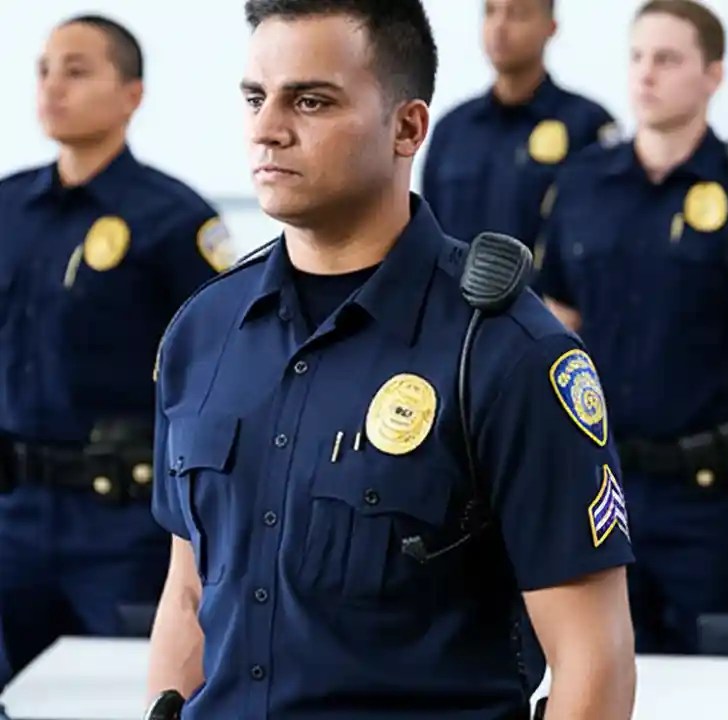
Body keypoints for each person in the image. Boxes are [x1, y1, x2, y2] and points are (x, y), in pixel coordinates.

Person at [144, 1, 636, 718]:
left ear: (407, 126)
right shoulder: (203, 331)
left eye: (310, 100)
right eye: (256, 97)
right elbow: (188, 589)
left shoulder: (504, 352)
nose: (266, 128)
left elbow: (596, 662)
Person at [536, 0, 728, 655]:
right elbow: (551, 343)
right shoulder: (581, 185)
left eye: (667, 59)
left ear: (712, 75)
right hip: (598, 490)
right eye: (637, 57)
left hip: (712, 502)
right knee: (590, 674)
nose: (645, 74)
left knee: (708, 686)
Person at [0, 15, 231, 690]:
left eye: (77, 70)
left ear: (131, 94)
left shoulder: (174, 220)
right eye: (44, 69)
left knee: (129, 694)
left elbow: (225, 372)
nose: (52, 86)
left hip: (125, 529)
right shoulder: (7, 209)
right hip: (12, 521)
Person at [419, 0, 616, 249]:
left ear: (550, 27)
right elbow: (428, 235)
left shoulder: (586, 126)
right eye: (491, 12)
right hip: (456, 287)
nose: (500, 26)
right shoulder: (453, 129)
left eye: (517, 14)